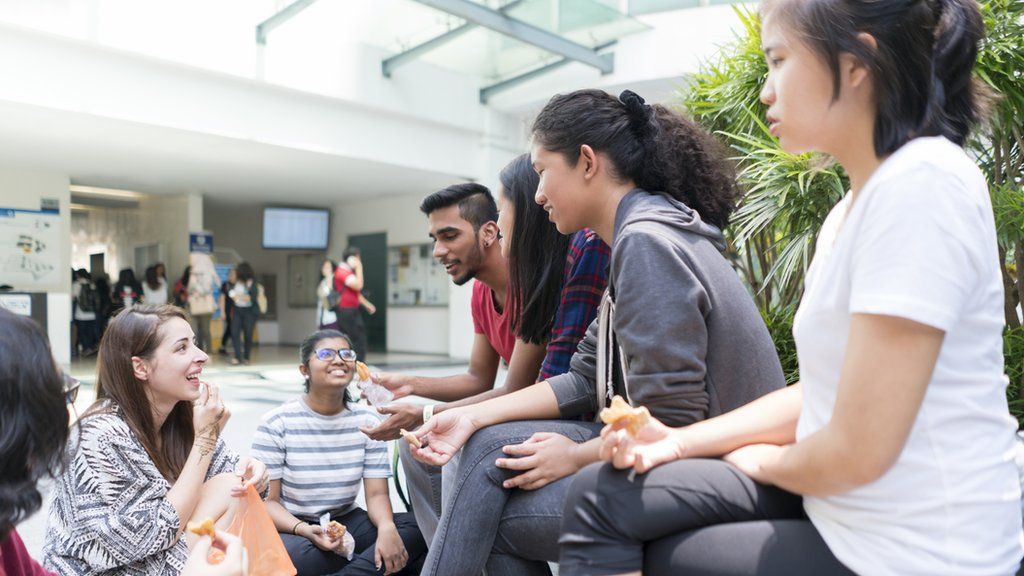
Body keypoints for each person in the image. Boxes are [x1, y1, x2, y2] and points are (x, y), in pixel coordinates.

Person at [557, 2, 1024, 575]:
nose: (766, 93)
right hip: (849, 504)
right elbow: (824, 393)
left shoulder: (921, 186)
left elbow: (856, 452)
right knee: (606, 494)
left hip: (919, 546)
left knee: (658, 546)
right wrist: (677, 443)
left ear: (856, 63)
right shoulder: (854, 207)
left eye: (778, 61)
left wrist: (759, 460)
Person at [408, 89, 786, 575]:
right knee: (484, 447)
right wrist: (469, 419)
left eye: (542, 172)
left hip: (719, 472)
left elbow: (671, 422)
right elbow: (584, 377)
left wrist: (576, 455)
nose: (537, 193)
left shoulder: (647, 242)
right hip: (696, 460)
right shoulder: (637, 234)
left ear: (587, 162)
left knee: (484, 515)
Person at [43, 304, 269, 574]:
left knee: (235, 487)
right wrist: (206, 439)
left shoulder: (181, 417)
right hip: (107, 569)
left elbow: (235, 481)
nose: (202, 357)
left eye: (194, 344)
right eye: (181, 348)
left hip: (165, 558)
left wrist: (255, 474)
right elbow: (143, 538)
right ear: (140, 367)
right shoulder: (99, 434)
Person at [250, 329, 427, 575]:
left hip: (347, 519)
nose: (338, 359)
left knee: (418, 528)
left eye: (346, 353)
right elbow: (269, 503)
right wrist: (303, 529)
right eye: (325, 354)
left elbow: (376, 495)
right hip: (295, 526)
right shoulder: (276, 422)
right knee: (292, 557)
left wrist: (387, 529)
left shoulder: (368, 421)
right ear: (305, 370)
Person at [333, 247, 369, 362]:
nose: (359, 260)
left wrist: (367, 304)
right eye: (357, 258)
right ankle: (357, 365)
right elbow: (358, 285)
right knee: (356, 339)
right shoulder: (342, 272)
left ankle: (356, 364)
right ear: (351, 258)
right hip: (346, 311)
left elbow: (355, 293)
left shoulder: (346, 271)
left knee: (356, 338)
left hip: (351, 310)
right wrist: (359, 267)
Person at [228, 262, 260, 366]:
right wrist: (236, 295)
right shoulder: (236, 282)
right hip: (237, 310)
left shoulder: (252, 283)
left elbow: (251, 298)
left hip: (249, 312)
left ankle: (246, 357)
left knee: (248, 334)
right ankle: (238, 357)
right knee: (234, 332)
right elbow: (230, 291)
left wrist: (238, 296)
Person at [188, 255, 219, 354]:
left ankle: (208, 351)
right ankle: (198, 350)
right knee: (196, 330)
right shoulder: (193, 274)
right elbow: (189, 289)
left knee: (205, 330)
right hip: (196, 305)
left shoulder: (209, 273)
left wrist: (199, 290)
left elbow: (213, 286)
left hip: (205, 305)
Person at [71, 268, 100, 357]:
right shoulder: (92, 284)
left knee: (82, 332)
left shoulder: (76, 284)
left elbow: (73, 297)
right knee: (90, 331)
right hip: (92, 313)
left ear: (78, 275)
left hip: (81, 313)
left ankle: (86, 348)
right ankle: (90, 347)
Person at [317, 258, 340, 330]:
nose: (324, 269)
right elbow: (320, 303)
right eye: (323, 267)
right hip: (322, 319)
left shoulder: (335, 280)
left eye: (327, 267)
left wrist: (330, 280)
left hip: (333, 318)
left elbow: (333, 297)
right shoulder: (322, 283)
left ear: (332, 269)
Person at [219, 267, 236, 355]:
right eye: (231, 274)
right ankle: (223, 346)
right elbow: (222, 299)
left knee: (233, 329)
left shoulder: (239, 285)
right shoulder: (225, 285)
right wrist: (222, 312)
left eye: (234, 274)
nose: (232, 276)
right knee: (230, 328)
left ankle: (228, 346)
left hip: (238, 311)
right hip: (229, 311)